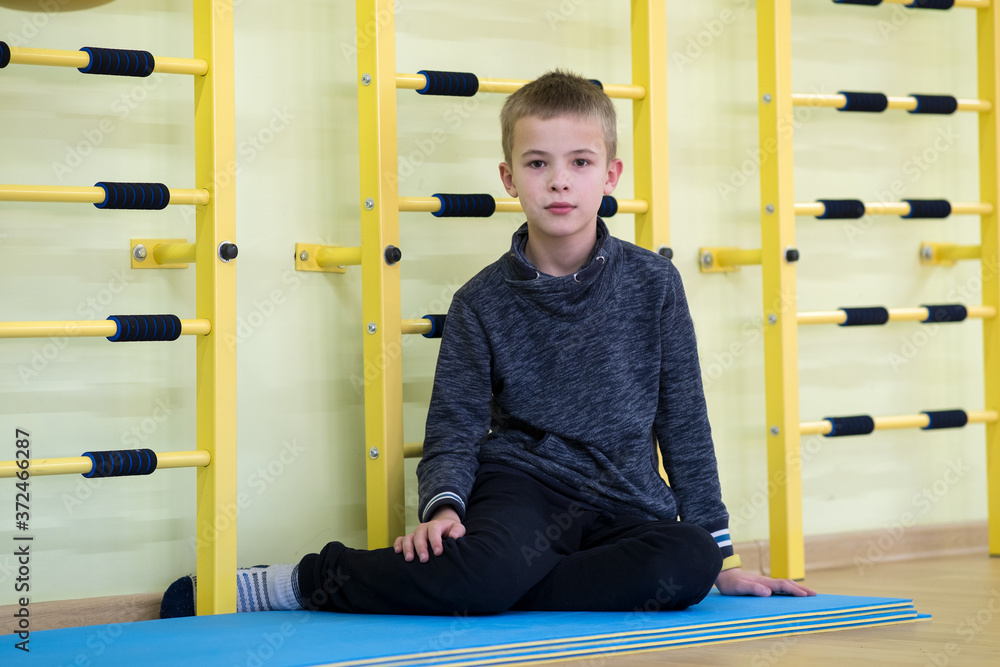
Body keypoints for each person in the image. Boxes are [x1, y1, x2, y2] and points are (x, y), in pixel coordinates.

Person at [161, 69, 813, 619]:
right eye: (538, 164)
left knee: (689, 560)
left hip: (627, 500)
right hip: (526, 490)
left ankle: (495, 587)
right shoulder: (482, 300)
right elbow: (455, 427)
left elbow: (685, 423)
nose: (559, 181)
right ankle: (301, 581)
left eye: (580, 163)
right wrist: (444, 506)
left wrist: (721, 560)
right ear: (509, 178)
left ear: (610, 174)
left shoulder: (654, 283)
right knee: (489, 563)